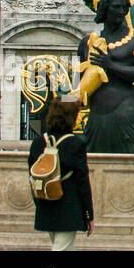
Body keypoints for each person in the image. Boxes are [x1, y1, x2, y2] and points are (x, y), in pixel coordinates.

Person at [78, 0, 134, 153]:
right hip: (97, 116)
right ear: (104, 9)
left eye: (124, 7)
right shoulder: (87, 43)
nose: (121, 11)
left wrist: (110, 65)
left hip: (128, 112)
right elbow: (78, 83)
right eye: (116, 7)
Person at [28, 96, 93, 250]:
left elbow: (32, 176)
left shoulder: (38, 142)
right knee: (62, 248)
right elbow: (82, 182)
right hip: (69, 208)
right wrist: (89, 214)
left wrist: (39, 204)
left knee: (65, 247)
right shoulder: (75, 143)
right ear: (72, 117)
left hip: (46, 204)